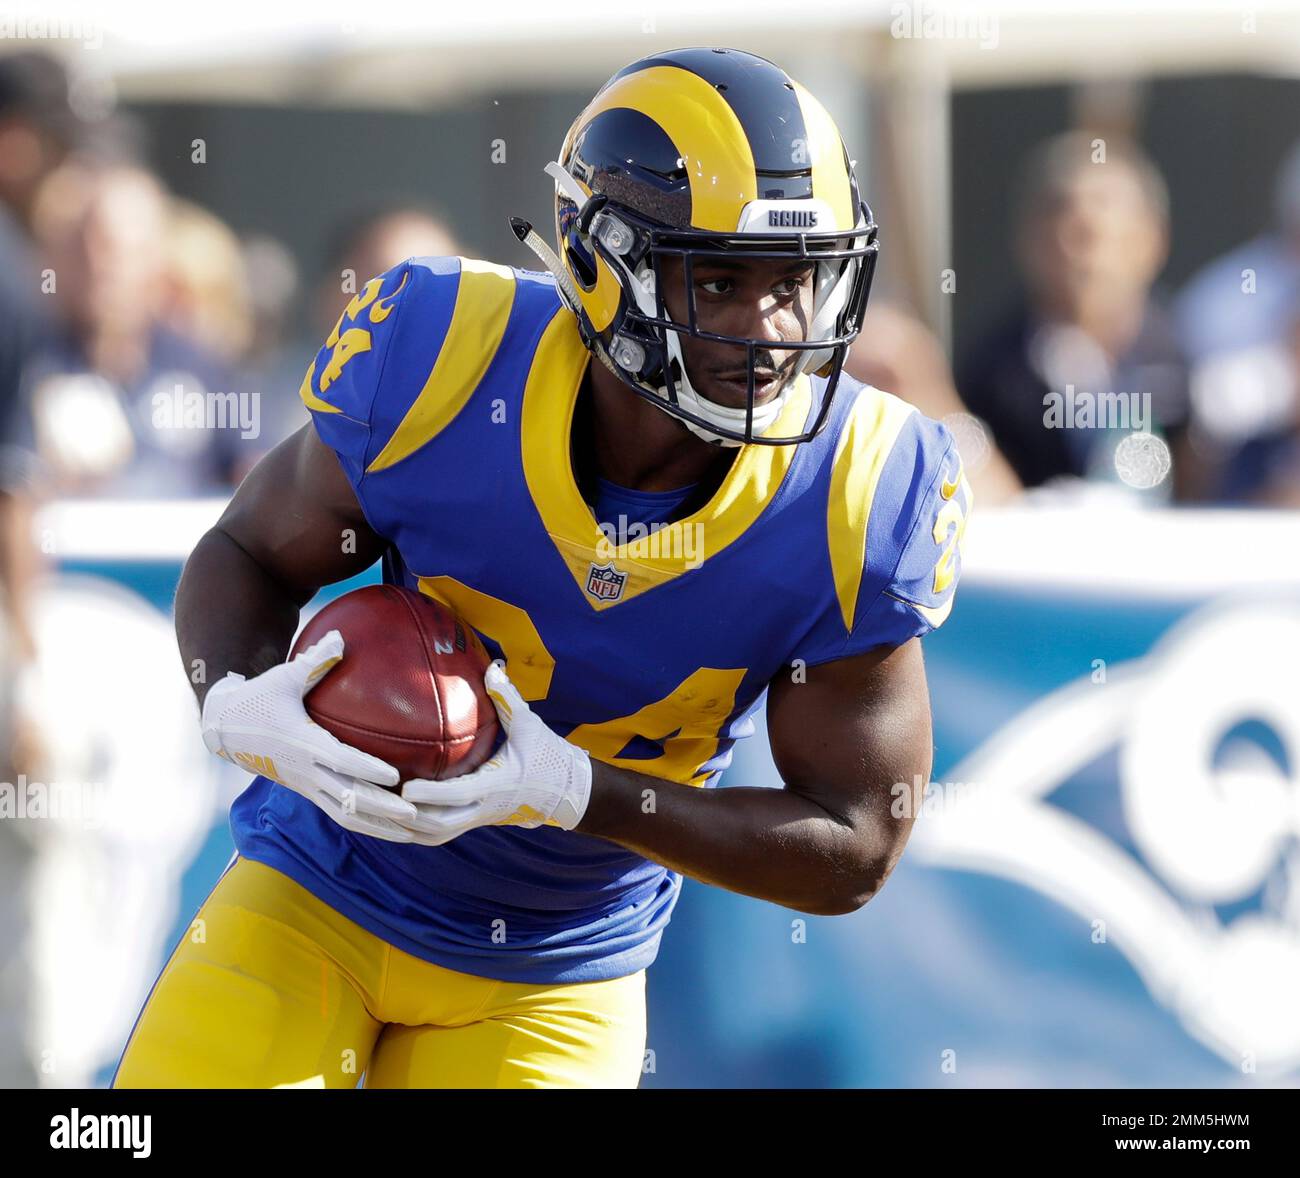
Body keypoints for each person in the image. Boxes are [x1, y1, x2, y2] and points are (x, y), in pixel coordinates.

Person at [113, 47, 971, 1089]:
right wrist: (235, 699)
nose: (770, 329)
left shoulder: (860, 489)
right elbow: (247, 551)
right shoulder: (444, 352)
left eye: (794, 280)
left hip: (556, 970)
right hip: (318, 893)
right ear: (600, 259)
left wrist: (577, 791)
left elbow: (856, 842)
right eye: (721, 278)